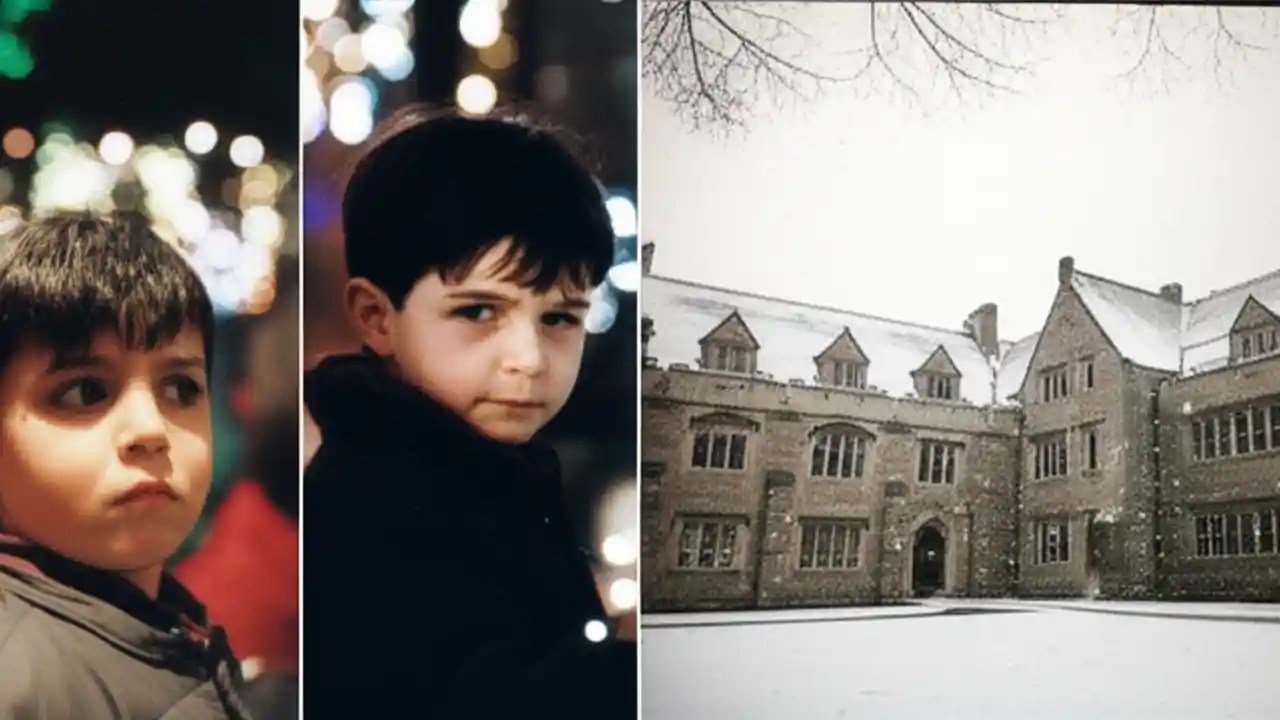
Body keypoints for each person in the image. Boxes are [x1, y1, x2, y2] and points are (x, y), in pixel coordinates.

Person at [304, 108, 637, 718]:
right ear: (377, 316)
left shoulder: (495, 468)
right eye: (478, 313)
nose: (529, 358)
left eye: (560, 318)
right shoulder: (372, 499)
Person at [0, 212, 251, 719]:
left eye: (181, 388)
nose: (150, 430)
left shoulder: (153, 621)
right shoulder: (21, 685)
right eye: (85, 391)